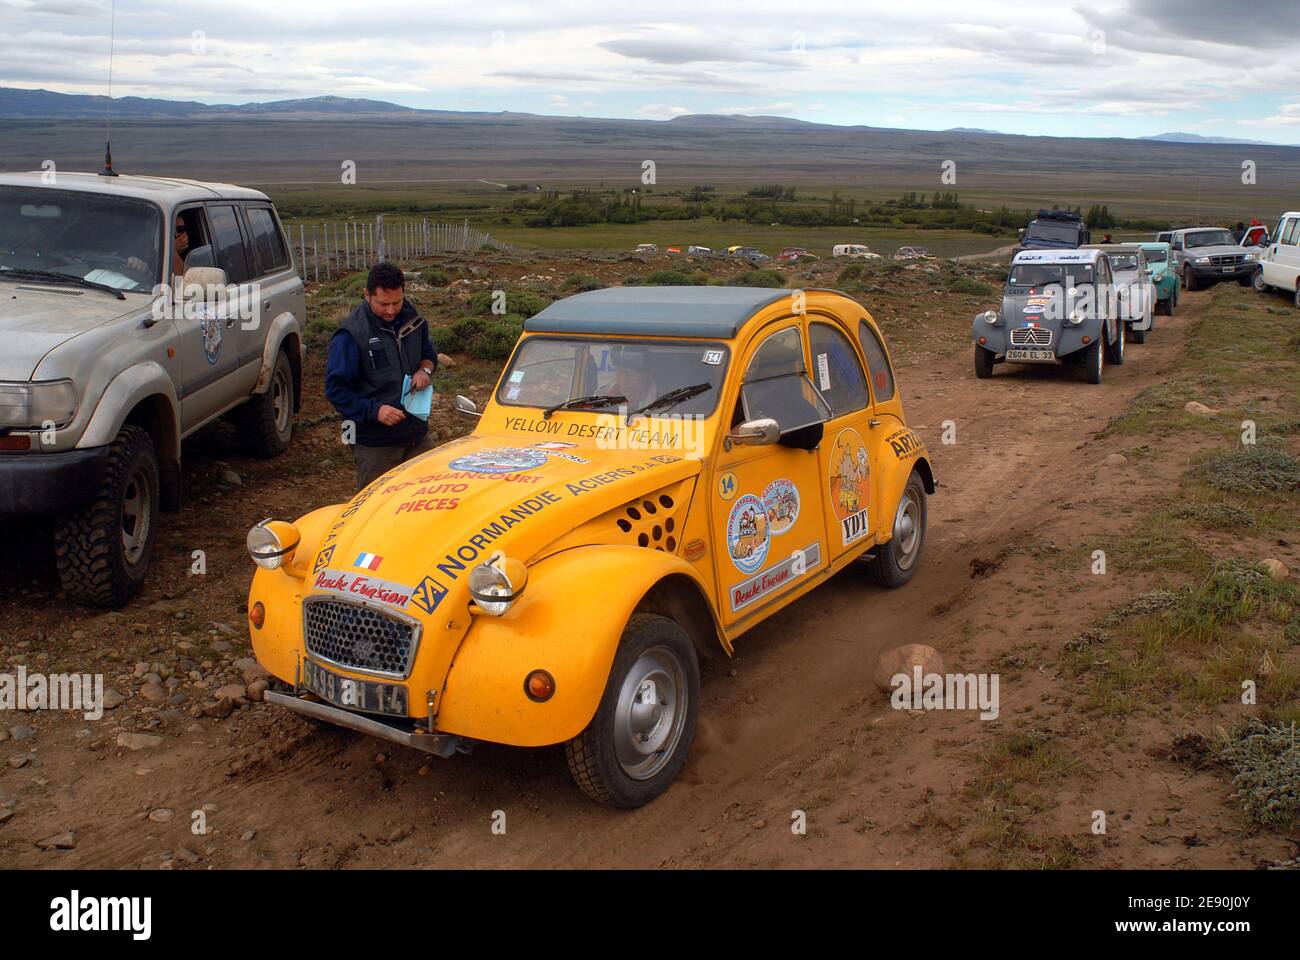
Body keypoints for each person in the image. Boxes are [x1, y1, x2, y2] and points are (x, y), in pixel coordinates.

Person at [326, 261, 438, 490]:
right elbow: (336, 391)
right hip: (376, 443)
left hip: (417, 433)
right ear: (367, 295)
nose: (391, 310)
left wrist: (424, 370)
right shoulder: (351, 335)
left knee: (428, 498)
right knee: (377, 508)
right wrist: (375, 411)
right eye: (383, 304)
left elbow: (428, 353)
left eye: (396, 302)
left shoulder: (414, 319)